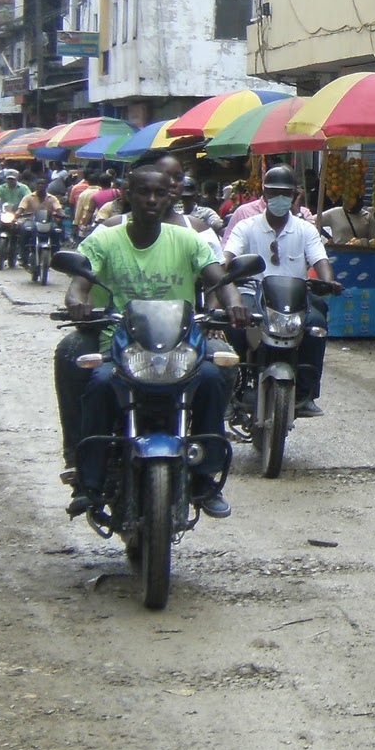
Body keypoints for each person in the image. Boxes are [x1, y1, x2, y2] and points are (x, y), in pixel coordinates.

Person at [64, 166, 249, 519]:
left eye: (159, 193)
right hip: (120, 347)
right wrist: (76, 299)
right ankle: (89, 481)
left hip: (180, 347)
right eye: (143, 192)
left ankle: (204, 477)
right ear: (127, 194)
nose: (151, 200)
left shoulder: (188, 239)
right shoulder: (104, 239)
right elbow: (80, 279)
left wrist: (234, 303)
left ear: (171, 197)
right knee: (99, 382)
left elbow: (218, 278)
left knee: (216, 374)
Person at [224, 166, 341, 417]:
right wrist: (221, 270)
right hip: (254, 293)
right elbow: (228, 255)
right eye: (274, 192)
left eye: (285, 194)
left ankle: (307, 393)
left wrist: (328, 281)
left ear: (294, 195)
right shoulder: (246, 226)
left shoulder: (305, 229)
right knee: (233, 323)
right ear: (264, 194)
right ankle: (232, 389)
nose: (279, 198)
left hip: (294, 295)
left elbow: (320, 260)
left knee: (317, 325)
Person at [0, 169, 30, 256]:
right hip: (4, 212)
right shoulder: (1, 188)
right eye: (8, 179)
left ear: (17, 179)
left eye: (12, 179)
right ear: (5, 179)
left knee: (23, 229)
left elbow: (29, 198)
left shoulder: (24, 188)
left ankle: (21, 248)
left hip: (19, 213)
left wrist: (27, 206)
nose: (10, 181)